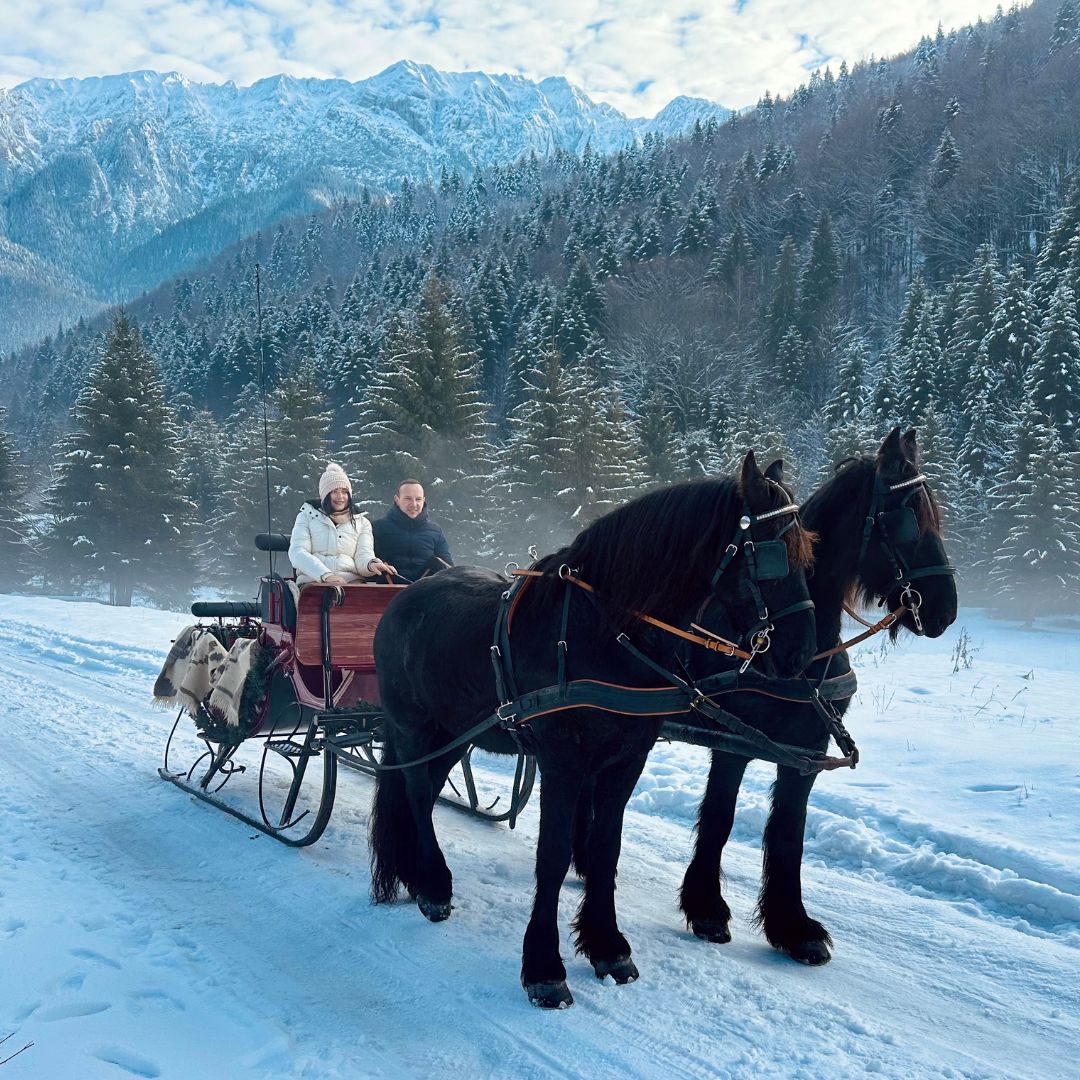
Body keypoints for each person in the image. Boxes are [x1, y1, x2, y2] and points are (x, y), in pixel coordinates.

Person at [288, 462, 396, 586]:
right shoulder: (306, 517)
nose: (340, 497)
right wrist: (326, 576)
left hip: (351, 583)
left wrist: (371, 564)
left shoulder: (362, 523)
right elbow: (298, 552)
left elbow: (363, 554)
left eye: (345, 492)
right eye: (334, 491)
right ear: (325, 495)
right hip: (313, 582)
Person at [371, 479, 454, 583]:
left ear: (424, 500)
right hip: (388, 590)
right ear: (397, 499)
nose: (414, 504)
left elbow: (449, 567)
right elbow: (368, 563)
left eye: (418, 499)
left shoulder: (435, 531)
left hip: (427, 591)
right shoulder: (378, 528)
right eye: (408, 499)